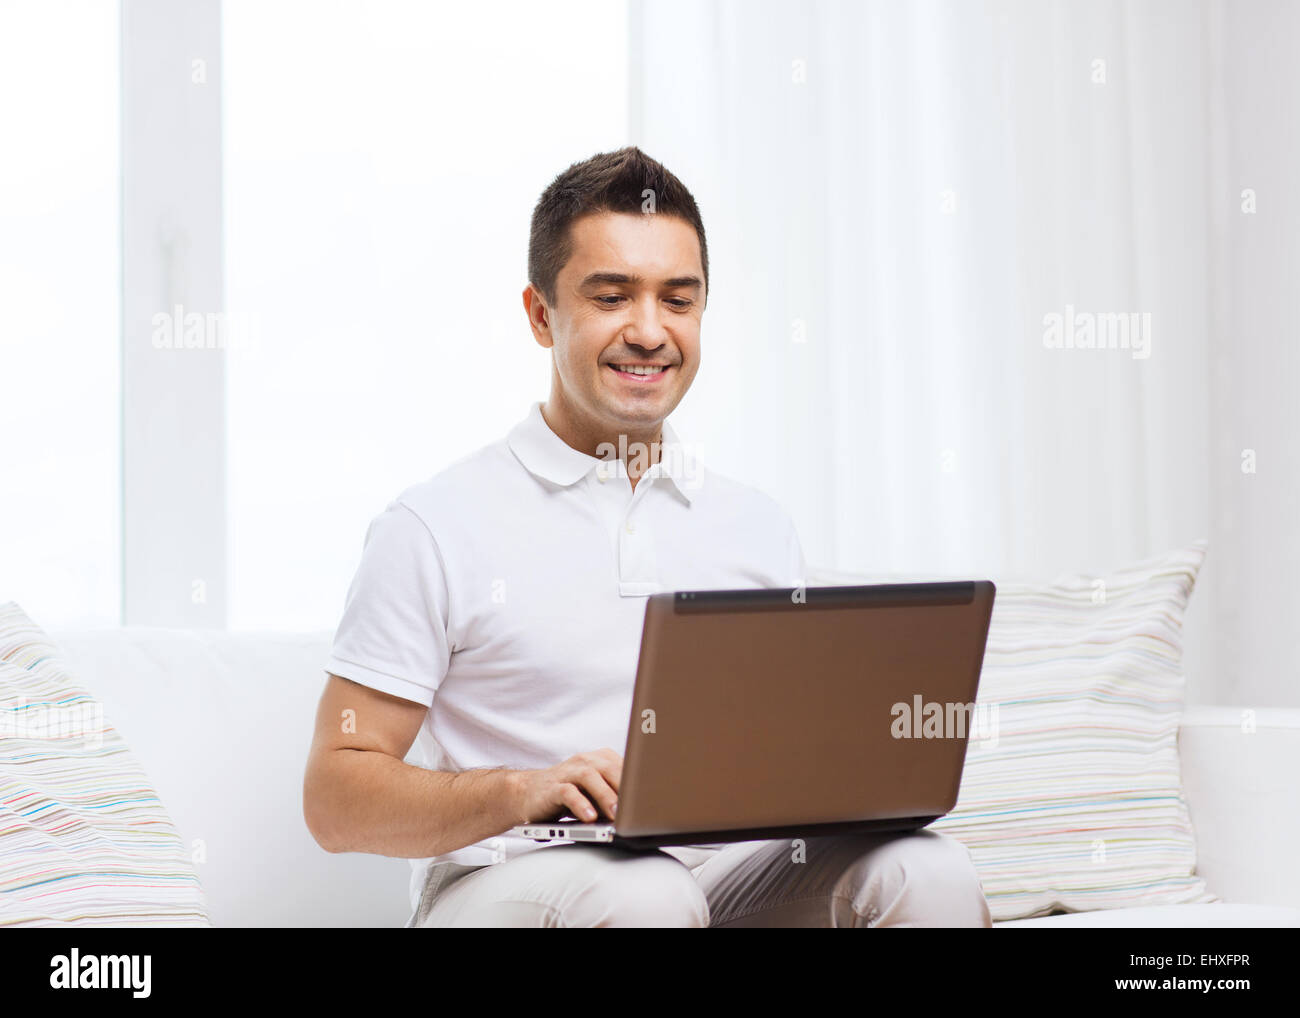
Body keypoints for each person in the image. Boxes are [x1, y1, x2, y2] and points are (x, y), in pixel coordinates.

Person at [302, 146, 991, 928]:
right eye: (611, 296)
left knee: (927, 871)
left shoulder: (756, 525)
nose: (649, 331)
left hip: (713, 881)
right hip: (510, 886)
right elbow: (336, 796)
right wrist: (520, 790)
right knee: (645, 894)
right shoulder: (433, 526)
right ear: (540, 315)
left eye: (678, 299)